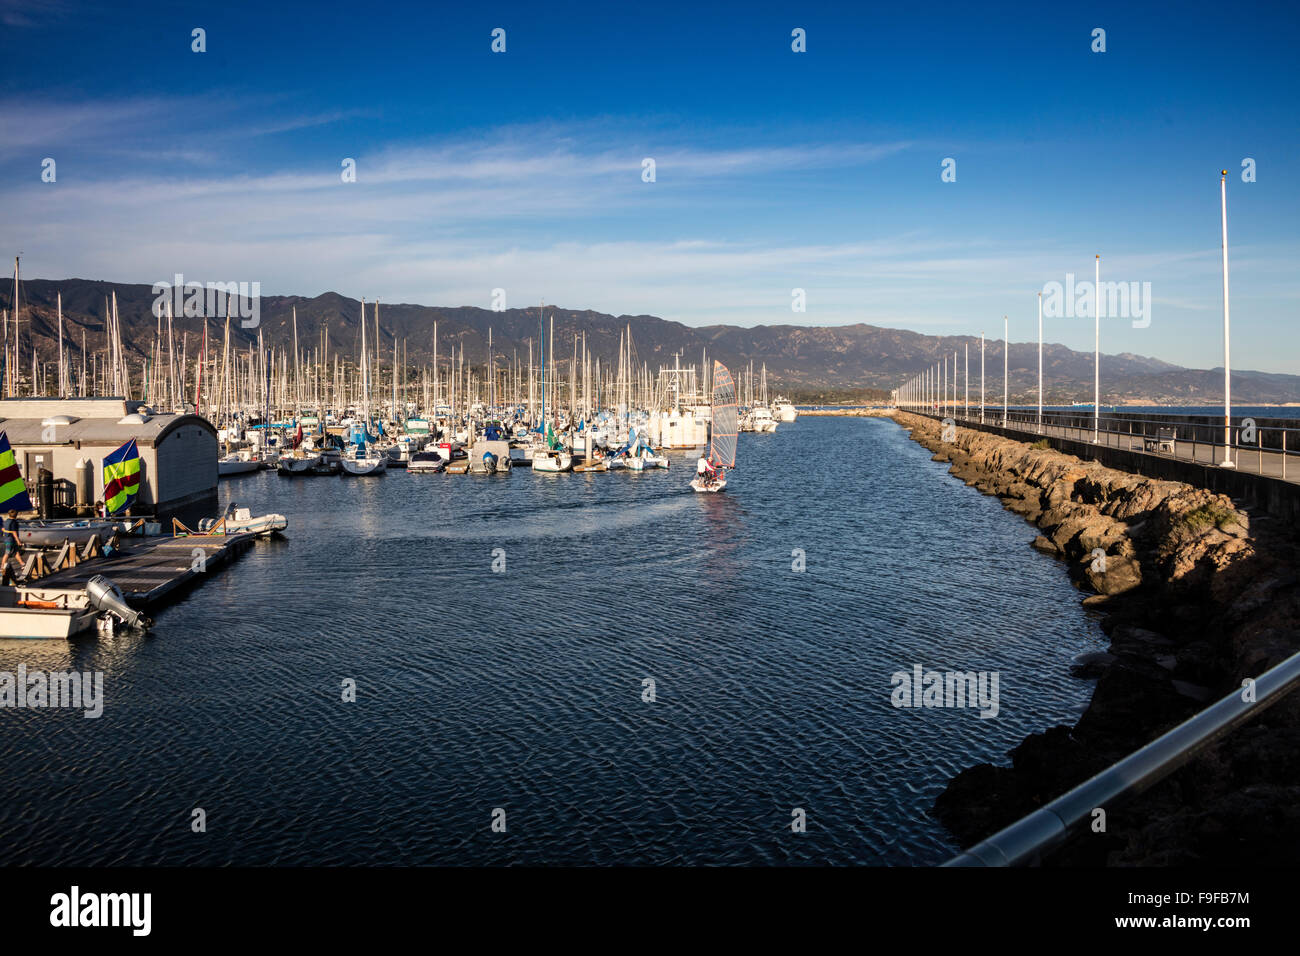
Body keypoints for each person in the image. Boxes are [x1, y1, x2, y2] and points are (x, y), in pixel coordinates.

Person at [2, 509, 21, 580]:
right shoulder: (14, 522)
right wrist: (18, 540)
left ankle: (22, 563)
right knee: (7, 553)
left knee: (16, 551)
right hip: (10, 540)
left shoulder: (6, 521)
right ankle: (2, 567)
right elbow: (14, 532)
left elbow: (3, 529)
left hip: (6, 538)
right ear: (16, 515)